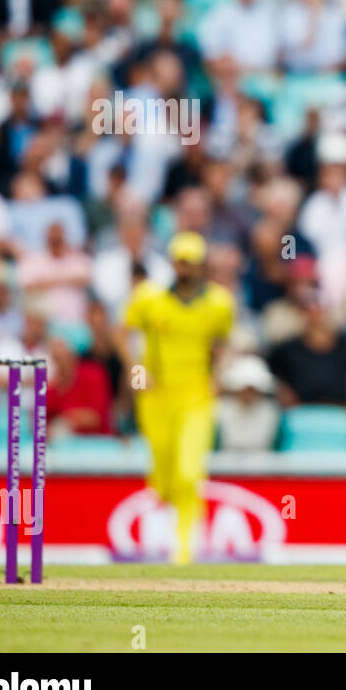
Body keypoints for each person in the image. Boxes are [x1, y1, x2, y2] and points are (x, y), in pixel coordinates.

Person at [122, 231, 233, 564]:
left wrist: (217, 377)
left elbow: (222, 342)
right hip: (156, 399)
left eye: (191, 263)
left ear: (201, 266)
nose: (184, 269)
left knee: (189, 472)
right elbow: (123, 332)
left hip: (196, 397)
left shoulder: (219, 302)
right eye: (180, 262)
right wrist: (137, 373)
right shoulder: (149, 299)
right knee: (163, 480)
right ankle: (173, 538)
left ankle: (184, 551)